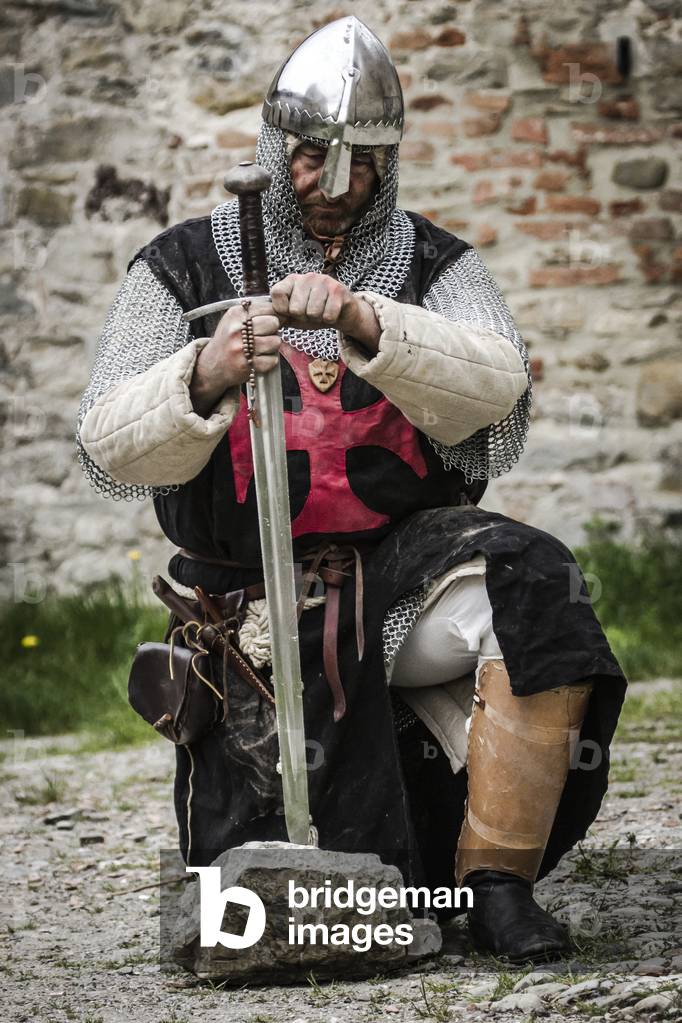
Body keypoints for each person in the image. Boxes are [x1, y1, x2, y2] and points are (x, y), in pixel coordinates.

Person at [77, 16, 626, 963]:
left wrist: (374, 325)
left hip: (404, 574)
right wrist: (203, 372)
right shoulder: (182, 266)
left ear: (388, 162)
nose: (334, 184)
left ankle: (496, 886)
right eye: (310, 158)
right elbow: (106, 444)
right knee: (267, 915)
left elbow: (498, 389)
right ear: (273, 149)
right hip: (250, 602)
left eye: (362, 162)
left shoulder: (433, 264)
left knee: (535, 580)